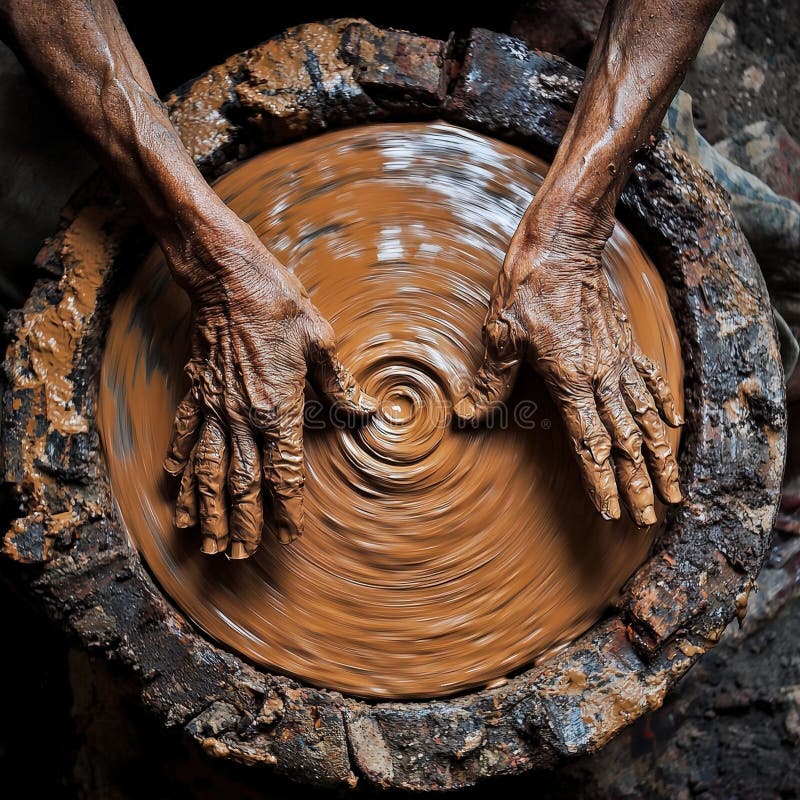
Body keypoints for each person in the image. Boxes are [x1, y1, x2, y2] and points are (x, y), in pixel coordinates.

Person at [0, 0, 721, 559]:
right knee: (36, 264)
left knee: (734, 284)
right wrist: (205, 256)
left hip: (478, 25)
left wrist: (577, 217)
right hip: (143, 53)